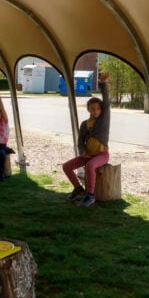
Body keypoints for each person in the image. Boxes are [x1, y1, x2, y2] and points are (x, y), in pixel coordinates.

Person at [62, 71, 111, 207]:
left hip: (102, 155)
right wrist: (82, 151)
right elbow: (80, 140)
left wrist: (103, 84)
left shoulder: (104, 120)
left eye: (98, 109)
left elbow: (107, 103)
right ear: (88, 109)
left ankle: (90, 195)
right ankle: (78, 188)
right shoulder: (85, 124)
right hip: (88, 155)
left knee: (90, 166)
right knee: (66, 167)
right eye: (92, 108)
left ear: (101, 110)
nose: (95, 111)